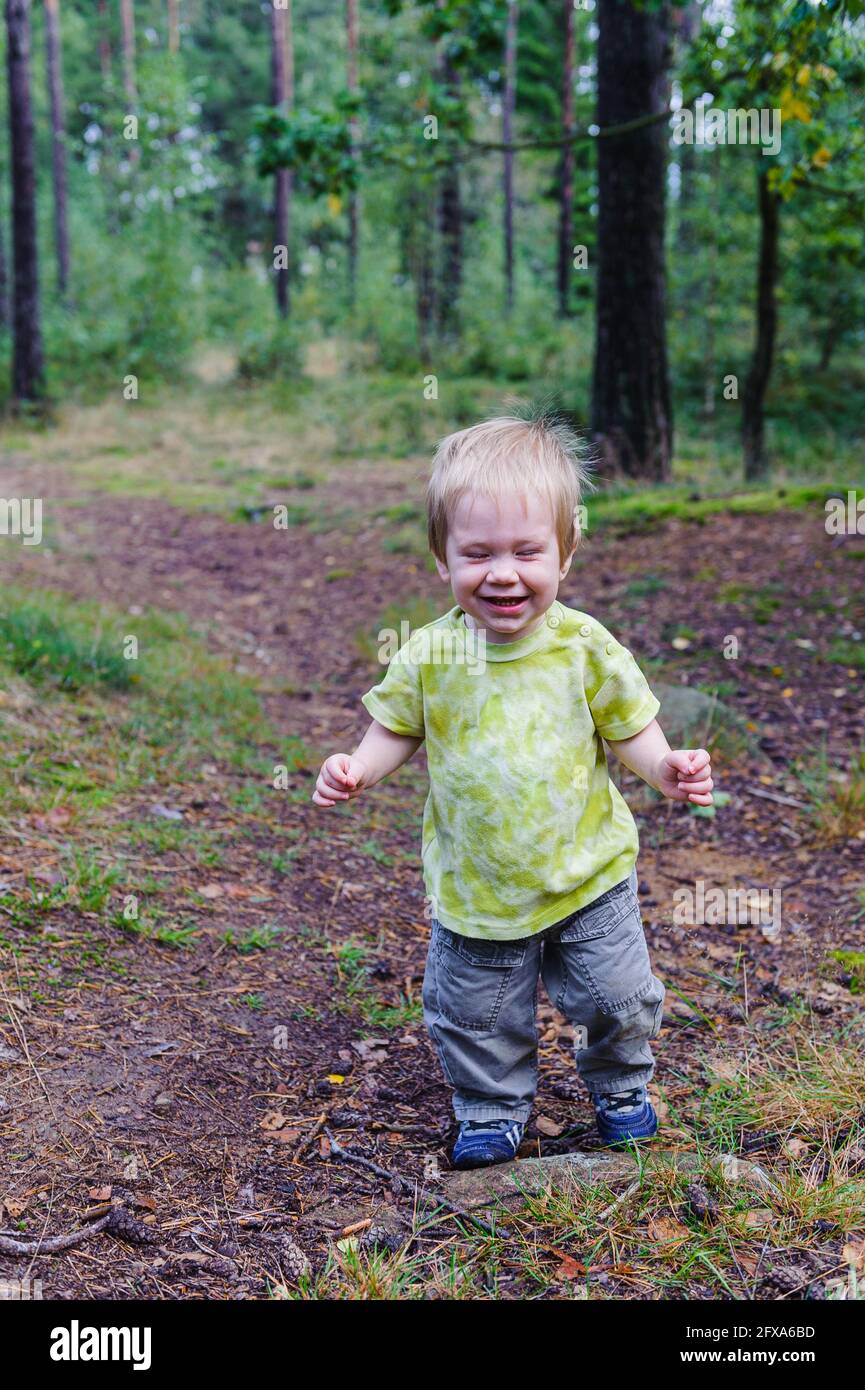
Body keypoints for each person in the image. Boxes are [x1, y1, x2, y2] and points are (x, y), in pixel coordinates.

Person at [312, 412, 713, 1170]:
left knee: (617, 999)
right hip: (478, 883)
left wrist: (664, 769)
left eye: (526, 551)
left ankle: (621, 1090)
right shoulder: (430, 652)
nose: (502, 573)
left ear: (564, 553)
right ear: (442, 559)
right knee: (474, 1013)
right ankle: (491, 1108)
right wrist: (358, 766)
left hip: (587, 874)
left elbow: (628, 725)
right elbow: (398, 724)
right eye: (477, 554)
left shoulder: (582, 645)